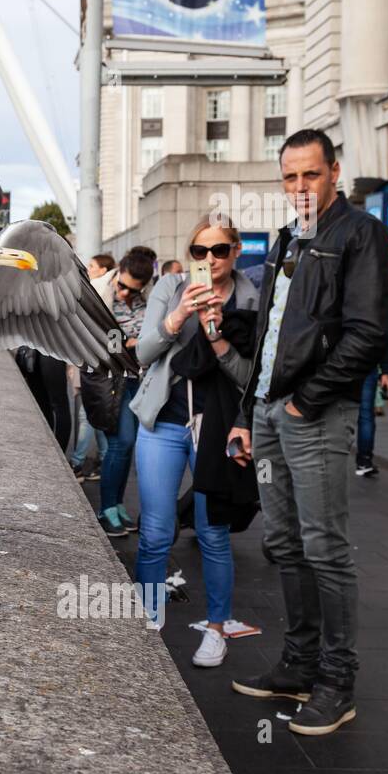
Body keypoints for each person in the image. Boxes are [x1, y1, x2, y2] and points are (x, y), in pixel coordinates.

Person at [226, 128, 388, 736]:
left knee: (325, 549)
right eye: (290, 176)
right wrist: (252, 413)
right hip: (270, 411)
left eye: (311, 175)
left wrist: (305, 403)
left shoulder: (359, 233)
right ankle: (299, 664)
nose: (300, 187)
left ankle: (336, 681)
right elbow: (273, 335)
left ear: (335, 172)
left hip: (314, 413)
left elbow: (367, 332)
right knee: (286, 545)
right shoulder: (286, 239)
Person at [132, 216, 260, 666]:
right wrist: (179, 316)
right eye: (200, 252)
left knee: (214, 533)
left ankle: (218, 627)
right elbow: (143, 352)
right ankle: (146, 617)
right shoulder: (171, 286)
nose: (210, 261)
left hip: (219, 427)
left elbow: (249, 377)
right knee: (155, 531)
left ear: (236, 250)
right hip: (165, 420)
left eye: (220, 251)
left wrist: (217, 334)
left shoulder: (250, 296)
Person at [82, 249, 153, 537]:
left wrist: (133, 343)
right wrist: (131, 342)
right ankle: (107, 508)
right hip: (106, 378)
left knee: (127, 444)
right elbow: (88, 337)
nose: (124, 294)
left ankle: (117, 505)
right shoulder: (97, 290)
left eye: (132, 290)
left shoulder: (148, 297)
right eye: (122, 286)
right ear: (118, 272)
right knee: (119, 442)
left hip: (136, 376)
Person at [68, 364, 106, 482]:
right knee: (97, 416)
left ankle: (77, 464)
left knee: (87, 416)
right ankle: (103, 459)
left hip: (96, 372)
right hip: (98, 371)